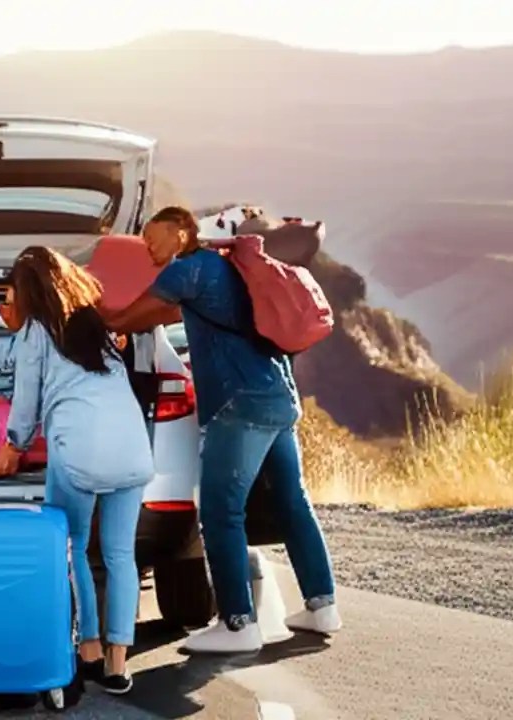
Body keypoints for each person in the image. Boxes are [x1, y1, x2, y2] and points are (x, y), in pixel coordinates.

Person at [104, 206, 340, 654]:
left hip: (239, 405)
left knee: (219, 513)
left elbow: (131, 318)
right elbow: (181, 318)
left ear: (181, 231)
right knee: (293, 502)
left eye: (153, 237)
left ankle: (237, 624)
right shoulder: (227, 269)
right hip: (278, 396)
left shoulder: (187, 269)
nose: (148, 247)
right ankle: (322, 605)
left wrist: (89, 318)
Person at [0, 247, 154, 696]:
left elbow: (25, 405)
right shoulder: (95, 325)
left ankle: (89, 647)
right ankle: (118, 664)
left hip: (80, 453)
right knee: (120, 555)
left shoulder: (36, 331)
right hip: (134, 450)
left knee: (73, 543)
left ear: (26, 291)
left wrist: (11, 450)